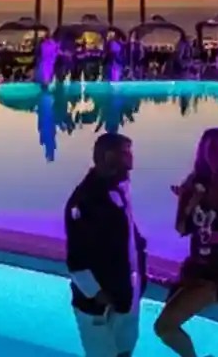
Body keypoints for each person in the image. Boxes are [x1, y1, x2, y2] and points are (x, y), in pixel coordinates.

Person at [155, 128, 218, 357]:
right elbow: (182, 228)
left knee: (163, 326)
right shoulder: (194, 184)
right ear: (203, 153)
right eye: (212, 151)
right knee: (164, 326)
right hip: (196, 267)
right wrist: (188, 202)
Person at [64, 133, 147, 357]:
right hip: (100, 305)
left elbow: (127, 238)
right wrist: (99, 294)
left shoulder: (118, 189)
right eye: (124, 153)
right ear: (106, 156)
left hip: (125, 295)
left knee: (124, 349)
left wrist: (139, 278)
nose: (130, 159)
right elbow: (76, 258)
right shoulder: (85, 201)